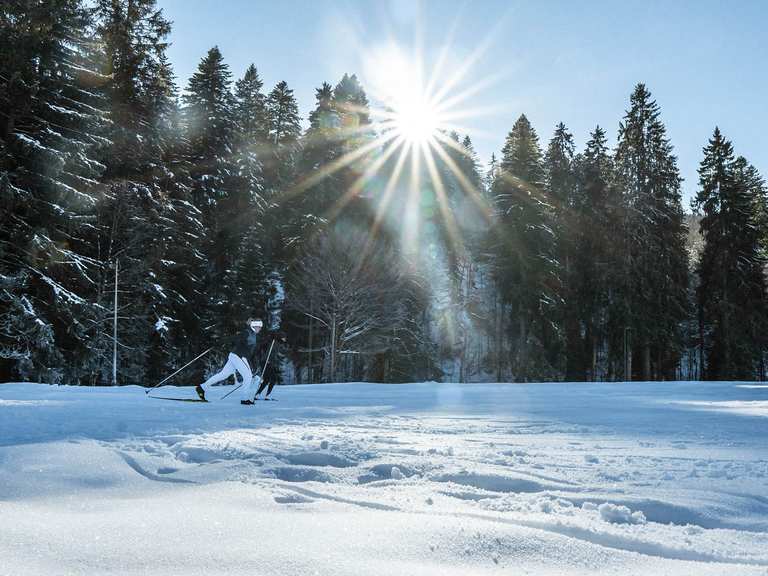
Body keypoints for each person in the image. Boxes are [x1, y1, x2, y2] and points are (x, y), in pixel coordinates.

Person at [195, 317, 263, 404]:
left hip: (235, 356)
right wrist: (220, 342)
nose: (259, 329)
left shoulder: (253, 335)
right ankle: (244, 399)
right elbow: (234, 337)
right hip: (238, 356)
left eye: (260, 327)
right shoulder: (246, 332)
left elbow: (252, 349)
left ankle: (202, 388)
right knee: (248, 376)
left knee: (223, 375)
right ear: (253, 326)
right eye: (258, 327)